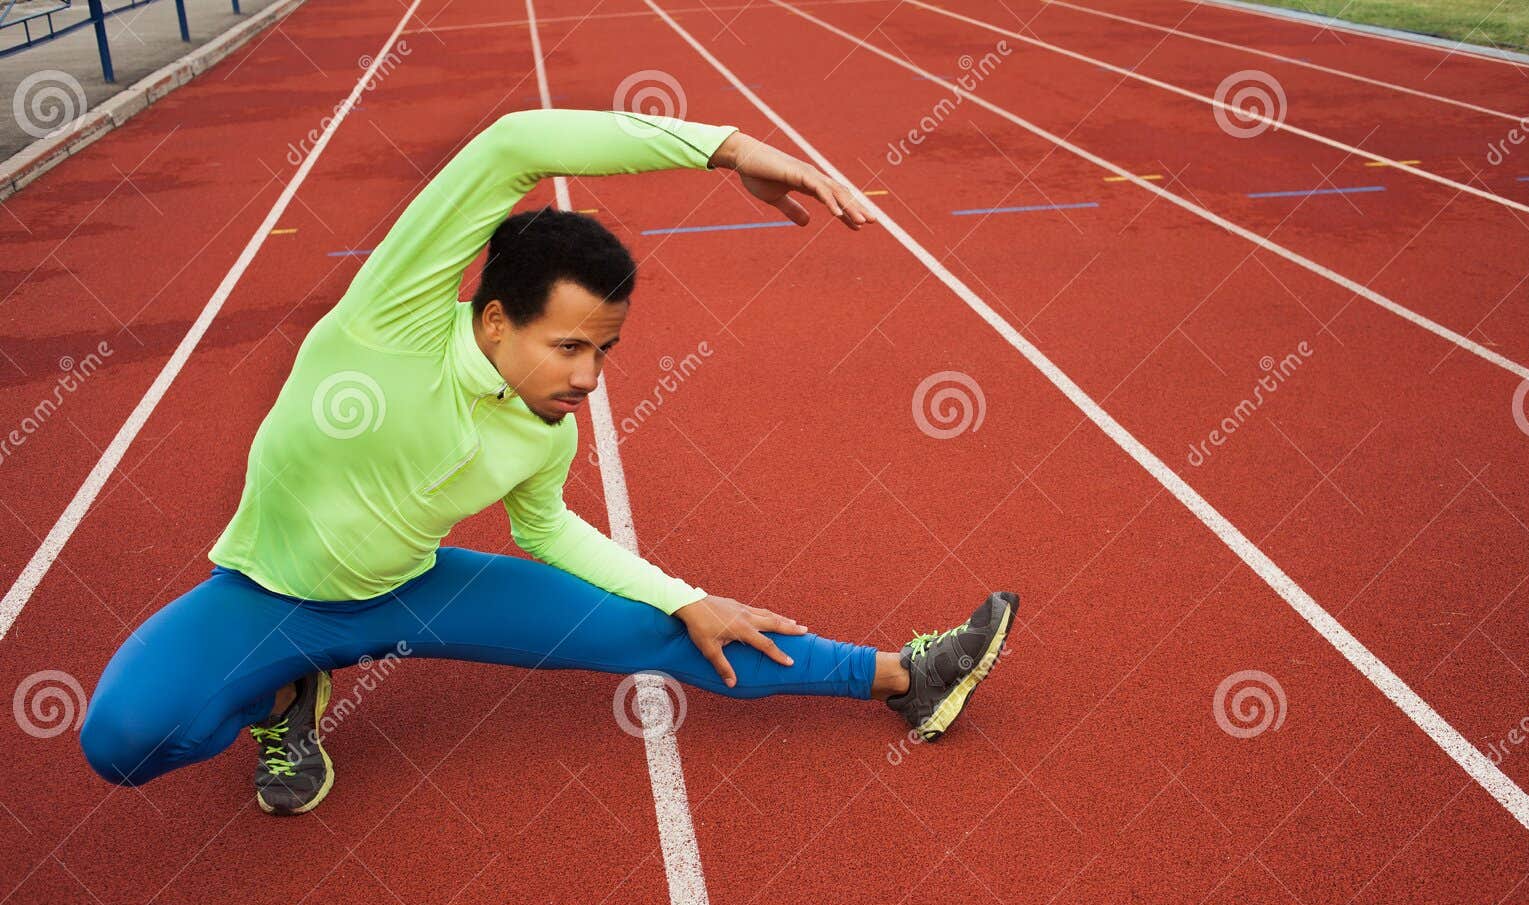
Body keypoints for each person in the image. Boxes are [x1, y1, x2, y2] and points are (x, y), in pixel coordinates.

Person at [78, 108, 1018, 814]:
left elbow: (544, 528)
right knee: (120, 740)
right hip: (269, 594)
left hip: (412, 589)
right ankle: (285, 696)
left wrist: (687, 597)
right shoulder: (389, 319)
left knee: (671, 634)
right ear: (494, 320)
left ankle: (903, 676)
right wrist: (726, 149)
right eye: (569, 347)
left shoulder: (545, 426)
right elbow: (515, 142)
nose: (591, 375)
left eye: (605, 350)